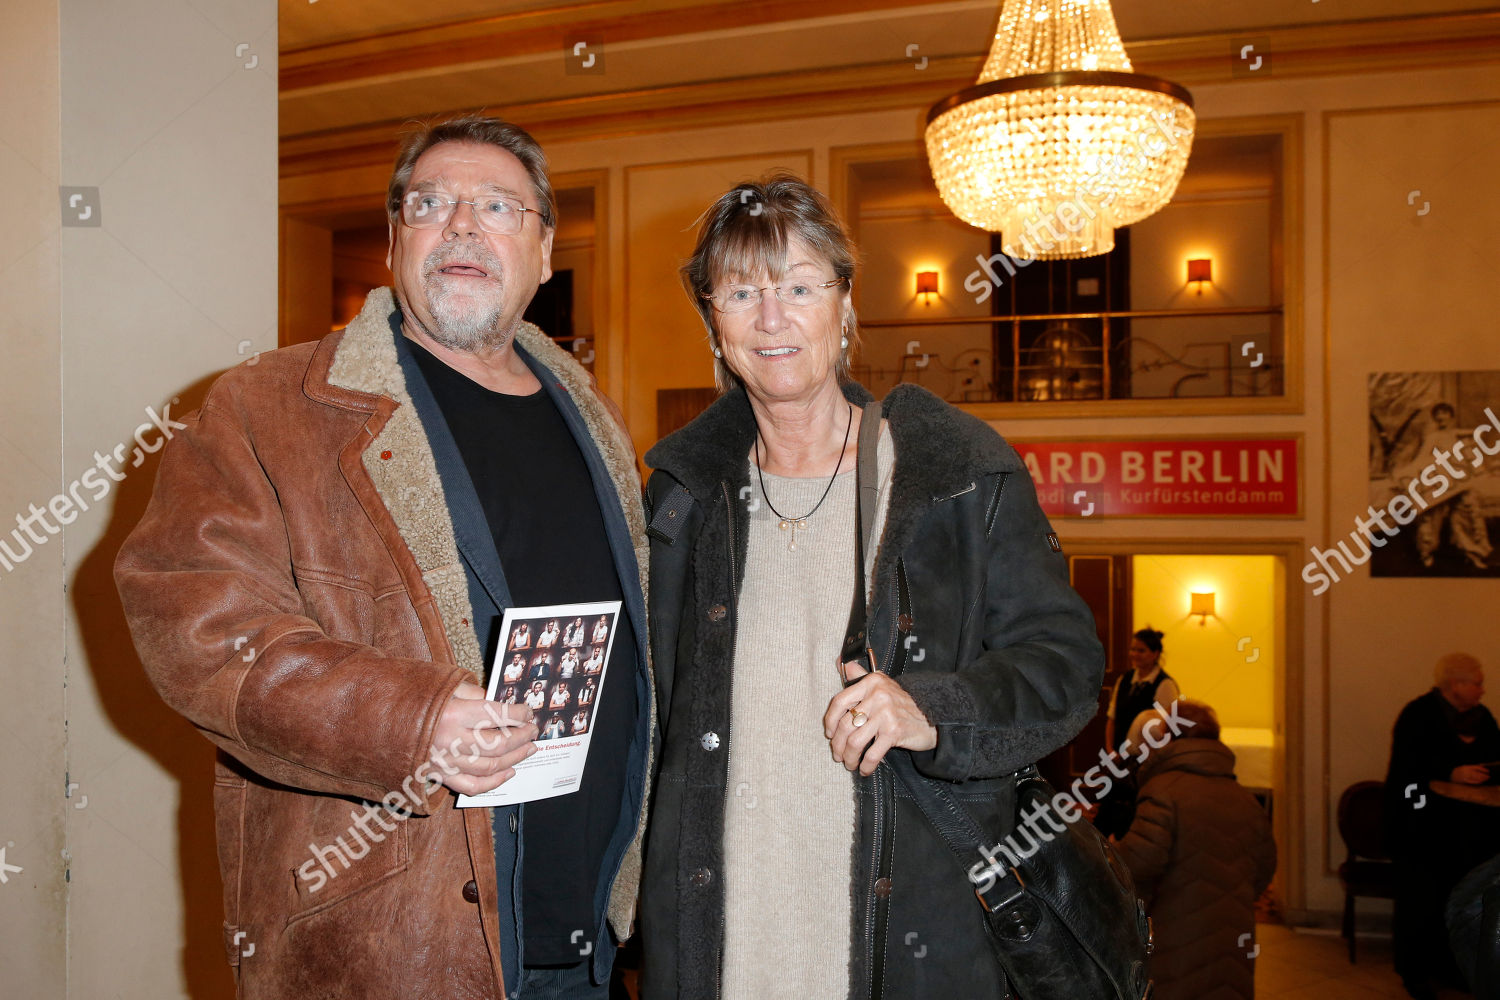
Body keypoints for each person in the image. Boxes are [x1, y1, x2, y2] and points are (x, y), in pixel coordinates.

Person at [114, 115, 654, 999]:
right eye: (431, 204)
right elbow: (191, 618)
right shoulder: (270, 406)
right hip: (392, 951)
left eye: (497, 206)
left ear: (546, 250)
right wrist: (412, 720)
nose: (463, 227)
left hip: (584, 942)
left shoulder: (591, 414)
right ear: (398, 236)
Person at [637, 175, 1104, 999]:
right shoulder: (681, 497)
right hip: (722, 937)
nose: (771, 318)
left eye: (800, 287)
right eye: (742, 291)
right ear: (713, 320)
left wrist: (936, 707)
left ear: (845, 305)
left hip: (912, 937)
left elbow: (1064, 665)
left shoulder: (955, 474)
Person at [1111, 700, 1276, 1000]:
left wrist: (1112, 850)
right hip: (1234, 936)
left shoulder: (1163, 791)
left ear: (1171, 739)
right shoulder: (1245, 799)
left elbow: (1137, 865)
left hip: (1177, 936)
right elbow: (1264, 869)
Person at [1385, 652, 1500, 998]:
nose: (1482, 690)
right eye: (1477, 682)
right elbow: (1406, 768)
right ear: (1456, 685)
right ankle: (1415, 973)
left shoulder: (1484, 718)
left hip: (1471, 837)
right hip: (1424, 832)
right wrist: (1451, 772)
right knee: (1421, 905)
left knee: (1463, 905)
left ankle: (1455, 970)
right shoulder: (1417, 715)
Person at [1104, 627, 1180, 754]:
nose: (1134, 654)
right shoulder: (1124, 679)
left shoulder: (1165, 684)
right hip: (1118, 754)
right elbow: (1112, 718)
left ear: (1155, 654)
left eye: (1141, 651)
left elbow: (1168, 728)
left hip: (1146, 758)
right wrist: (1110, 749)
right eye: (1132, 649)